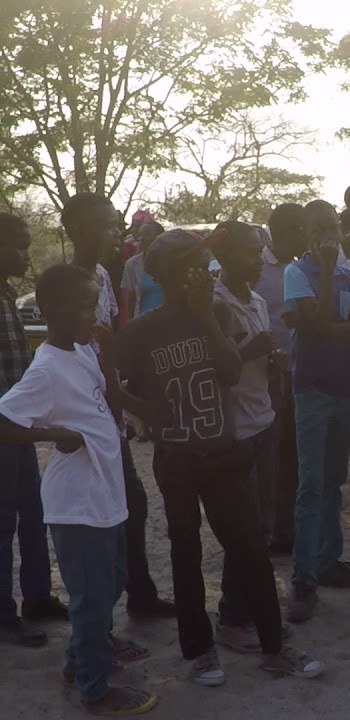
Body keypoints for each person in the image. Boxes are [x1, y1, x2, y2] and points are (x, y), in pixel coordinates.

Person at [115, 230, 324, 686]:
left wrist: (206, 317)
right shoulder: (142, 331)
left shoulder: (219, 312)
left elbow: (230, 371)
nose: (208, 273)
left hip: (223, 454)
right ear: (172, 275)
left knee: (250, 548)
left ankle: (274, 646)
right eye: (198, 266)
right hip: (176, 461)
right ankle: (200, 652)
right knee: (185, 551)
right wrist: (143, 410)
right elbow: (113, 380)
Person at [0, 264, 157, 715]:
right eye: (88, 306)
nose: (97, 314)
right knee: (91, 599)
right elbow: (5, 421)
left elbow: (107, 393)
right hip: (78, 503)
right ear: (52, 311)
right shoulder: (47, 368)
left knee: (113, 582)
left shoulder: (82, 349)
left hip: (104, 494)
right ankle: (94, 687)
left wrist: (106, 352)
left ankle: (80, 659)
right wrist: (54, 435)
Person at [61, 192, 173, 620]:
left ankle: (137, 596)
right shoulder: (66, 285)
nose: (116, 232)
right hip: (81, 411)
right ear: (76, 230)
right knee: (107, 512)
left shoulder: (103, 278)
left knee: (131, 502)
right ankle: (102, 620)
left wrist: (122, 398)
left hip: (104, 405)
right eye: (107, 224)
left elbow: (105, 348)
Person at [284, 200, 350, 624]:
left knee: (334, 481)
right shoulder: (297, 273)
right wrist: (321, 273)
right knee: (310, 486)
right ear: (306, 232)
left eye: (332, 225)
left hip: (344, 387)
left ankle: (328, 561)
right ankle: (303, 579)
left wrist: (327, 329)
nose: (328, 234)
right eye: (318, 228)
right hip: (313, 389)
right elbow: (320, 324)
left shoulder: (347, 274)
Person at [208, 222, 285, 650]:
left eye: (259, 253)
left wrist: (272, 358)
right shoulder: (215, 306)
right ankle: (233, 618)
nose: (257, 261)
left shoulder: (253, 299)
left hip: (262, 419)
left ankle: (251, 609)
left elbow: (253, 357)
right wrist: (250, 351)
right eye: (249, 253)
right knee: (245, 530)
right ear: (225, 258)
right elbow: (216, 369)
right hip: (234, 428)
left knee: (262, 524)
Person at [0, 214, 65, 648]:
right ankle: (4, 613)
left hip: (19, 425)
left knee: (33, 513)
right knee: (4, 522)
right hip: (3, 427)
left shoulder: (7, 295)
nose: (26, 254)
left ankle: (38, 597)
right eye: (19, 246)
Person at [264, 204, 306, 555]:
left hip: (300, 372)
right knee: (272, 454)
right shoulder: (255, 268)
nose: (303, 237)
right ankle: (274, 528)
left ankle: (287, 527)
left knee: (292, 453)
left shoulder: (304, 267)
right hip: (266, 376)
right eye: (297, 229)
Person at [120, 220, 165, 322]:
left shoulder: (171, 263)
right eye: (140, 235)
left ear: (159, 237)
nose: (142, 239)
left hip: (168, 322)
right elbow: (130, 299)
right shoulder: (131, 265)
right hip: (143, 322)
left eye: (147, 234)